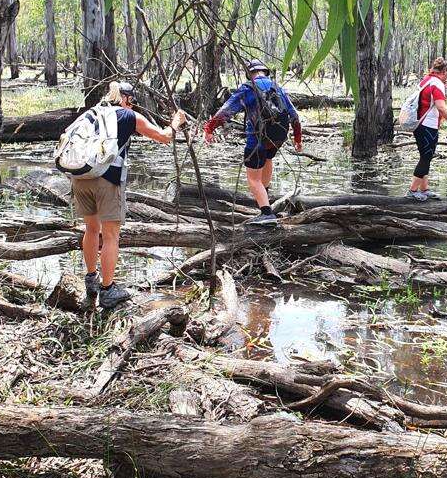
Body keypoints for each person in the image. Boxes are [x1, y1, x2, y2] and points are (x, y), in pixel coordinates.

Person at [72, 81, 187, 308]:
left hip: (80, 177)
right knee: (111, 235)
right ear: (126, 99)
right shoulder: (128, 116)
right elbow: (164, 137)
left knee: (92, 229)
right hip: (107, 179)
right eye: (132, 101)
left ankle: (91, 281)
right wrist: (176, 122)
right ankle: (107, 290)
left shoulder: (92, 113)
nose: (133, 105)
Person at [203, 59, 302, 224]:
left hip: (257, 138)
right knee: (268, 159)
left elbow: (226, 111)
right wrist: (298, 139)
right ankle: (265, 201)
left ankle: (266, 213)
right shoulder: (278, 89)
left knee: (253, 179)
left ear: (250, 73)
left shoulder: (248, 88)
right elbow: (295, 116)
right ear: (265, 72)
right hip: (277, 138)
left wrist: (209, 128)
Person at [407, 58, 447, 201]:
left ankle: (424, 189)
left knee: (426, 156)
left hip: (420, 124)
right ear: (444, 72)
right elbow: (441, 107)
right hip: (427, 124)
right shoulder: (437, 84)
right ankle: (412, 190)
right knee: (426, 157)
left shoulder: (426, 80)